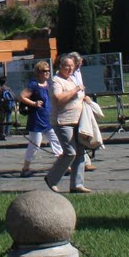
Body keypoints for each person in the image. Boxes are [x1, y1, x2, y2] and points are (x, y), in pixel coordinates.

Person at [46, 54, 91, 194]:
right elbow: (59, 98)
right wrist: (76, 90)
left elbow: (78, 96)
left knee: (80, 153)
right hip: (63, 122)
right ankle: (51, 178)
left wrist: (85, 98)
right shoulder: (56, 81)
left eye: (72, 66)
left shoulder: (71, 79)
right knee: (70, 152)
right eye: (67, 66)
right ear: (61, 66)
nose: (70, 69)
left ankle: (77, 185)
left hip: (77, 121)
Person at [18, 60, 57, 175]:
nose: (47, 73)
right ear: (39, 72)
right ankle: (26, 167)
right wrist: (33, 103)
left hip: (48, 117)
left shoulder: (49, 84)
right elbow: (22, 96)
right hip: (37, 118)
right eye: (44, 71)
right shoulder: (34, 84)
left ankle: (63, 165)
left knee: (56, 140)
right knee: (35, 144)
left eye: (48, 71)